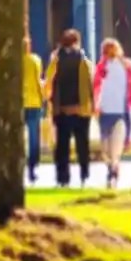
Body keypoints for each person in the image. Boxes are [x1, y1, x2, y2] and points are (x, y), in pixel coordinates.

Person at [44, 29, 94, 187]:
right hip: (81, 110)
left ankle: (62, 178)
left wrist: (49, 101)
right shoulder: (84, 60)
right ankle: (84, 174)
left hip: (62, 110)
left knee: (62, 146)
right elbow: (91, 82)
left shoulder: (56, 60)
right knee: (82, 144)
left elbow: (49, 81)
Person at [93, 38, 131, 188]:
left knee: (116, 147)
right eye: (107, 50)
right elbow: (96, 85)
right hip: (105, 111)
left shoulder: (128, 66)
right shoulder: (102, 67)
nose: (109, 53)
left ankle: (113, 170)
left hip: (121, 112)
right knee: (105, 148)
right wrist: (96, 104)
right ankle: (112, 167)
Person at [23, 36, 45, 183]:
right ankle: (32, 166)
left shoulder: (13, 62)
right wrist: (43, 98)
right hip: (34, 102)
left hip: (19, 103)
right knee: (33, 136)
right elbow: (38, 81)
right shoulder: (35, 60)